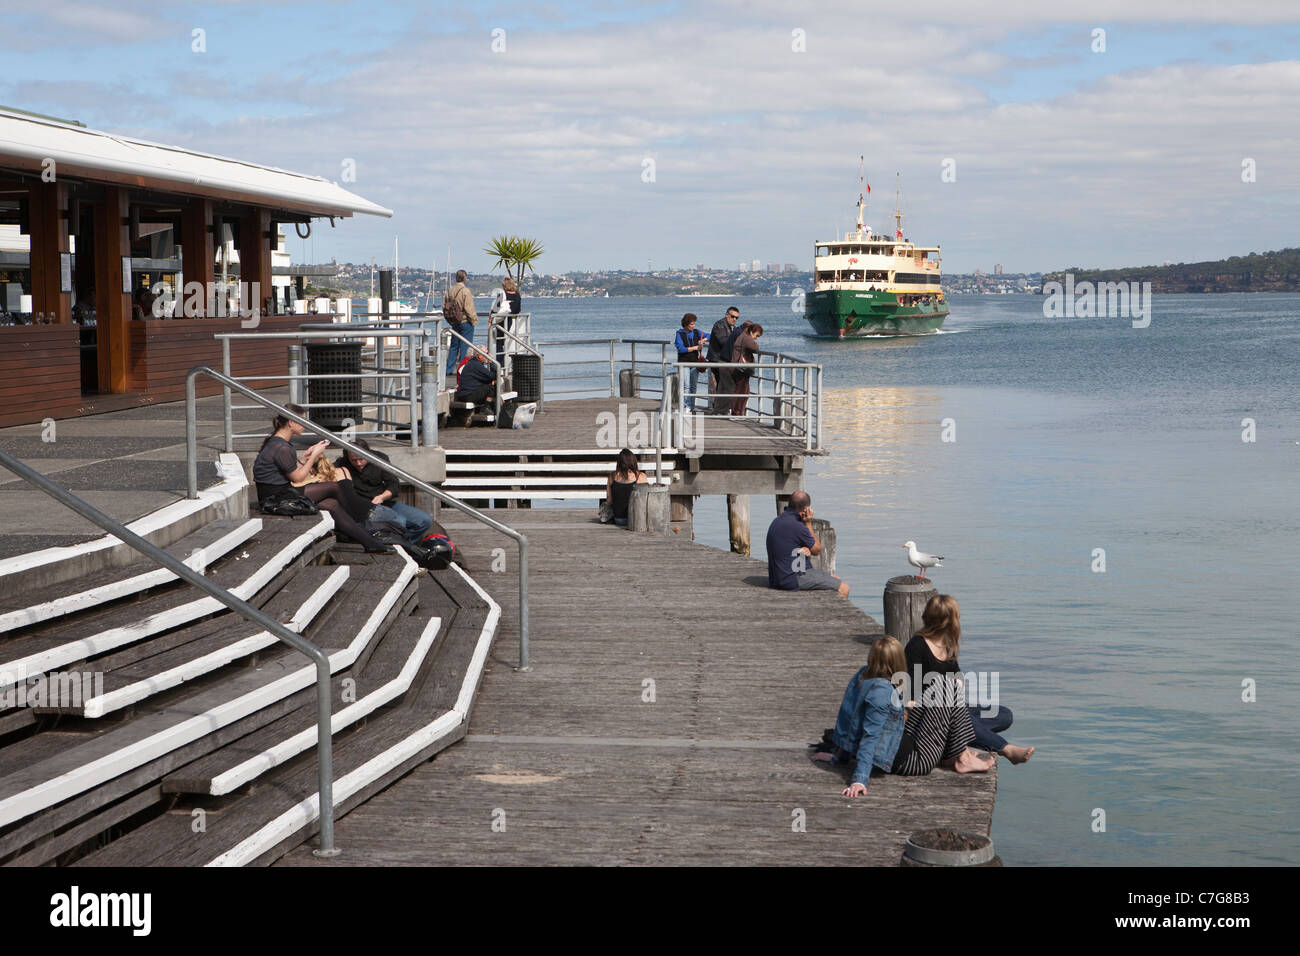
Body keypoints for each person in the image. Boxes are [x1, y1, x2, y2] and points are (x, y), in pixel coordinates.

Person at [812, 635, 995, 797]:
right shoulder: (881, 694)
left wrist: (839, 756)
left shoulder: (862, 676)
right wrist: (859, 779)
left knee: (942, 684)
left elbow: (850, 723)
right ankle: (962, 757)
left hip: (902, 739)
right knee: (950, 688)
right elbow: (870, 735)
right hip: (914, 761)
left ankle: (958, 754)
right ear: (899, 661)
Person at [905, 594, 1035, 765]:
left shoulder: (947, 644)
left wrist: (957, 683)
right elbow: (907, 695)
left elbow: (956, 674)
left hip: (952, 708)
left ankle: (956, 735)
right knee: (963, 717)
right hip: (925, 715)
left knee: (1004, 716)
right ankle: (1007, 749)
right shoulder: (917, 646)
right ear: (949, 621)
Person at [251, 405, 392, 553]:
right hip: (276, 499)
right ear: (291, 422)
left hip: (278, 493)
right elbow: (298, 478)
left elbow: (290, 471)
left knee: (332, 504)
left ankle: (369, 543)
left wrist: (305, 457)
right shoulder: (282, 448)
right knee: (333, 487)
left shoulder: (276, 442)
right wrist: (314, 456)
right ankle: (359, 524)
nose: (305, 425)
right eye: (302, 421)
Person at [335, 437, 433, 545]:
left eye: (361, 459)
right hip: (367, 508)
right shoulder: (341, 464)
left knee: (424, 520)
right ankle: (402, 543)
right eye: (354, 460)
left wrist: (382, 496)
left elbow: (394, 485)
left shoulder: (380, 458)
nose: (358, 463)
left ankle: (406, 544)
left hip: (385, 502)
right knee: (400, 523)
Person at [764, 491, 850, 596]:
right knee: (844, 587)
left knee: (833, 577)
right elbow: (817, 550)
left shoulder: (777, 521)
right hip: (792, 579)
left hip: (776, 579)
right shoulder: (798, 526)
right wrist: (808, 523)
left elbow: (790, 545)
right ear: (806, 509)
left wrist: (804, 548)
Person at [442, 269, 478, 375]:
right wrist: (474, 320)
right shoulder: (465, 291)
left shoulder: (450, 290)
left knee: (454, 346)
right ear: (464, 278)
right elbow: (469, 309)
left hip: (454, 322)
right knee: (465, 347)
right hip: (465, 321)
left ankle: (448, 369)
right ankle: (462, 370)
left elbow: (445, 306)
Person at [706, 306, 740, 414]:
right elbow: (723, 341)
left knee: (724, 384)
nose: (734, 319)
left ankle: (720, 408)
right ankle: (720, 408)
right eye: (732, 316)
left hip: (724, 360)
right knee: (723, 384)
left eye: (736, 318)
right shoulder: (720, 325)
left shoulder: (732, 327)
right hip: (717, 359)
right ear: (727, 315)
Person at [605, 448, 648, 527]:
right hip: (636, 519)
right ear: (633, 461)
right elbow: (645, 502)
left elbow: (609, 501)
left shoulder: (612, 476)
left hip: (619, 520)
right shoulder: (640, 476)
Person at [673, 313, 707, 412]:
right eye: (691, 324)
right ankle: (685, 406)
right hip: (684, 362)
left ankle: (692, 405)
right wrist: (695, 348)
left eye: (694, 324)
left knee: (693, 385)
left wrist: (704, 339)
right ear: (686, 324)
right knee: (686, 385)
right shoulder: (679, 334)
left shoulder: (697, 332)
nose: (693, 326)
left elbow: (710, 335)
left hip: (695, 362)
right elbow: (681, 349)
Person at [728, 322, 762, 416]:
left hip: (737, 367)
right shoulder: (746, 338)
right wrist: (753, 341)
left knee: (743, 390)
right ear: (751, 331)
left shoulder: (742, 335)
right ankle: (737, 413)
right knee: (741, 391)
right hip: (740, 369)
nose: (756, 338)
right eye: (757, 335)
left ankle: (737, 412)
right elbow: (756, 348)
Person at [454, 349, 497, 420]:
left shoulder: (473, 363)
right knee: (491, 388)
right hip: (468, 395)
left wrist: (491, 380)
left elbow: (488, 377)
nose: (487, 356)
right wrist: (491, 362)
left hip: (466, 393)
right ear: (479, 356)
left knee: (491, 385)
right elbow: (494, 375)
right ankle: (485, 408)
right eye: (486, 354)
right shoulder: (476, 365)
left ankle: (489, 407)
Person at [488, 277, 521, 368]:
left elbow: (495, 308)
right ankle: (502, 365)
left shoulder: (502, 294)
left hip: (500, 321)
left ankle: (499, 365)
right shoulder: (517, 295)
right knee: (502, 342)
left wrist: (490, 321)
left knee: (498, 343)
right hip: (510, 320)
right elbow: (517, 310)